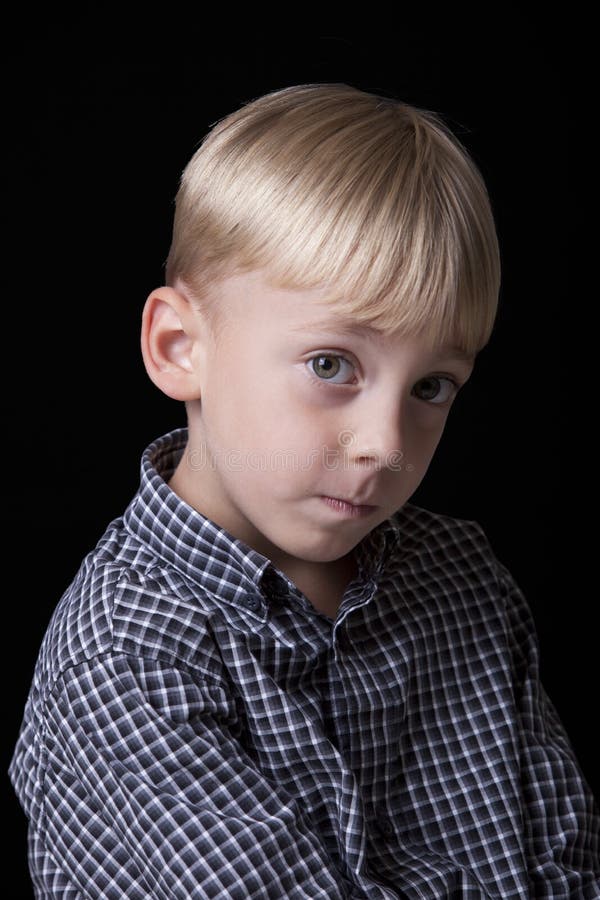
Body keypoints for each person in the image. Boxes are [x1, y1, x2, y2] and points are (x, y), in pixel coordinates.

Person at [9, 82, 598, 898]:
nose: (386, 444)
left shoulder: (464, 581)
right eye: (332, 366)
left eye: (431, 386)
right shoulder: (129, 651)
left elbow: (563, 857)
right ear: (181, 347)